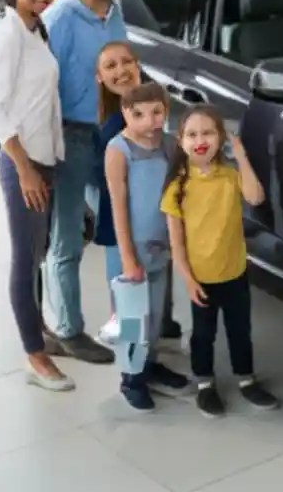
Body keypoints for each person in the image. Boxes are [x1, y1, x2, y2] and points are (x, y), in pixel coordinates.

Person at [40, 0, 134, 364]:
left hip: (110, 130)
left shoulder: (115, 12)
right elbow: (42, 87)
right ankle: (67, 330)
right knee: (67, 239)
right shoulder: (59, 18)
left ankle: (128, 319)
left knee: (119, 229)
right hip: (71, 135)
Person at [0, 0, 74, 391]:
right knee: (24, 259)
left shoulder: (36, 29)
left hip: (45, 159)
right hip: (25, 162)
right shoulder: (9, 36)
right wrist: (24, 168)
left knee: (37, 254)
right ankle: (34, 357)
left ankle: (39, 331)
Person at [161, 105, 281, 417]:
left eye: (208, 133)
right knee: (203, 335)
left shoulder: (230, 177)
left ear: (220, 138)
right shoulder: (177, 189)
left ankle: (246, 379)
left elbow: (255, 197)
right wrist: (187, 278)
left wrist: (240, 154)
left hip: (235, 272)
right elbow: (176, 242)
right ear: (180, 140)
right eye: (192, 134)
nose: (200, 140)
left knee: (240, 330)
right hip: (200, 278)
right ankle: (204, 383)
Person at [104, 82, 191, 410]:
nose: (150, 121)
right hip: (134, 248)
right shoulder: (118, 150)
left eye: (157, 112)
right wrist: (127, 255)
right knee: (132, 317)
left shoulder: (169, 145)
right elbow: (118, 205)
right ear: (125, 114)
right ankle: (131, 378)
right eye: (139, 114)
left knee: (154, 314)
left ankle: (148, 363)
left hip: (161, 245)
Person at [92, 40, 182, 347]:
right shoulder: (114, 132)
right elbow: (113, 194)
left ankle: (148, 360)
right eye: (110, 66)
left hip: (154, 229)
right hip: (124, 228)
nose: (121, 70)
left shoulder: (157, 127)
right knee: (130, 305)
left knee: (153, 303)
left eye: (126, 62)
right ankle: (133, 373)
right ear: (99, 77)